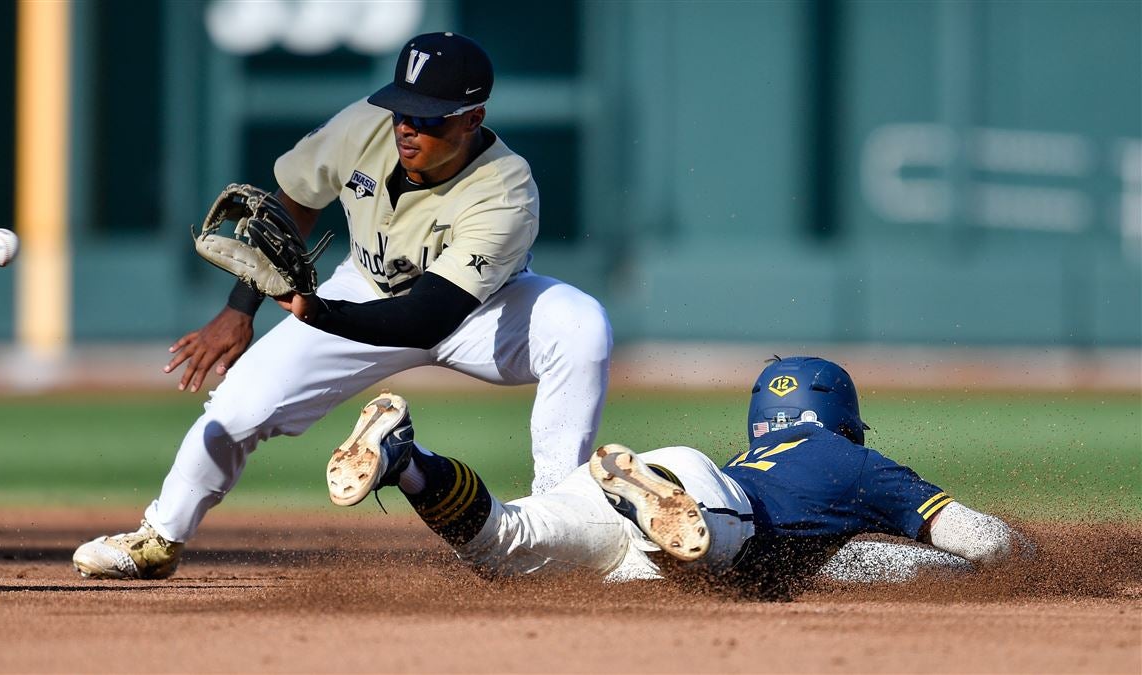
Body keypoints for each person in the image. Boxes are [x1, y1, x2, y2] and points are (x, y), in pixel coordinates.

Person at [72, 32, 612, 580]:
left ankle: (558, 517)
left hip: (481, 313)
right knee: (237, 410)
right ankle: (159, 538)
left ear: (472, 119)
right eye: (403, 107)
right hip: (364, 289)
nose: (407, 125)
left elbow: (428, 318)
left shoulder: (506, 189)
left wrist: (315, 310)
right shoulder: (365, 126)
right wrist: (241, 307)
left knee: (580, 324)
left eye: (429, 117)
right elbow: (294, 202)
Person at [323, 356, 1029, 599]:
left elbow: (872, 565)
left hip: (657, 495)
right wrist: (1033, 563)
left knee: (506, 543)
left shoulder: (757, 460)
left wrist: (938, 574)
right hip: (700, 504)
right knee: (729, 535)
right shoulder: (861, 464)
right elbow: (984, 541)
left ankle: (409, 464)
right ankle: (657, 504)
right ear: (842, 415)